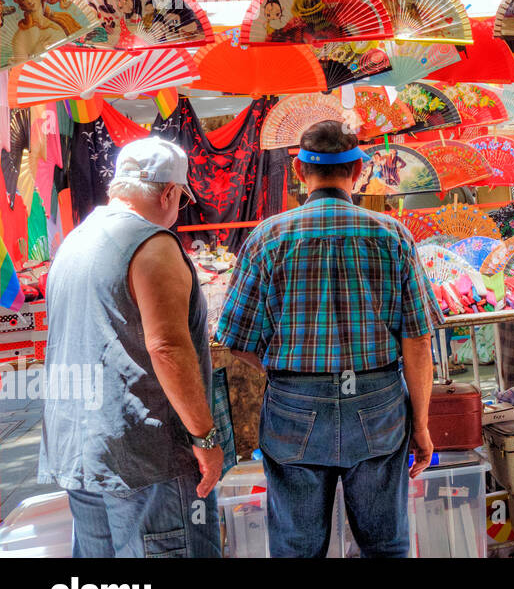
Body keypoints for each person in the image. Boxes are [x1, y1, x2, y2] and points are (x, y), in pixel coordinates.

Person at [214, 120, 439, 557]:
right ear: (358, 170)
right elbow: (417, 341)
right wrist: (422, 426)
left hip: (293, 407)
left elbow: (236, 339)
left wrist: (291, 375)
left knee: (296, 548)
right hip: (378, 406)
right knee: (387, 545)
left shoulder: (268, 238)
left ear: (299, 170)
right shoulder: (392, 236)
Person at [38, 138, 222, 557]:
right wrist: (205, 437)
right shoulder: (152, 243)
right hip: (145, 457)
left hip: (82, 454)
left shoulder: (75, 241)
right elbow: (167, 348)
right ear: (170, 193)